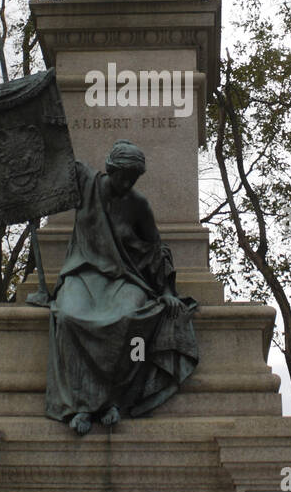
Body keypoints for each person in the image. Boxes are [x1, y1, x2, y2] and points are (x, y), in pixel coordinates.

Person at [45, 139, 198, 434]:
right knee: (67, 316)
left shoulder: (138, 205)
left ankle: (114, 399)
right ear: (110, 169)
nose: (127, 183)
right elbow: (52, 157)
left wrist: (166, 291)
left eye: (133, 178)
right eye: (122, 175)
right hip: (84, 273)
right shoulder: (86, 183)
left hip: (127, 279)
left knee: (130, 319)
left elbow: (155, 249)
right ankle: (81, 404)